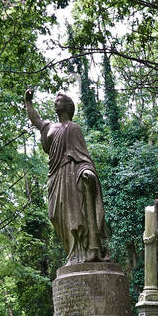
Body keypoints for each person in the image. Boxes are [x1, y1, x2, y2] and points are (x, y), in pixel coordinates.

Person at [24, 89, 108, 263]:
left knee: (76, 215)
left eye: (59, 100)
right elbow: (36, 120)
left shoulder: (74, 128)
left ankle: (82, 252)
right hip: (55, 177)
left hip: (72, 175)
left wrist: (87, 171)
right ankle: (72, 251)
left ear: (67, 106)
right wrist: (28, 103)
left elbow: (83, 156)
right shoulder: (51, 127)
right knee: (55, 215)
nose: (55, 102)